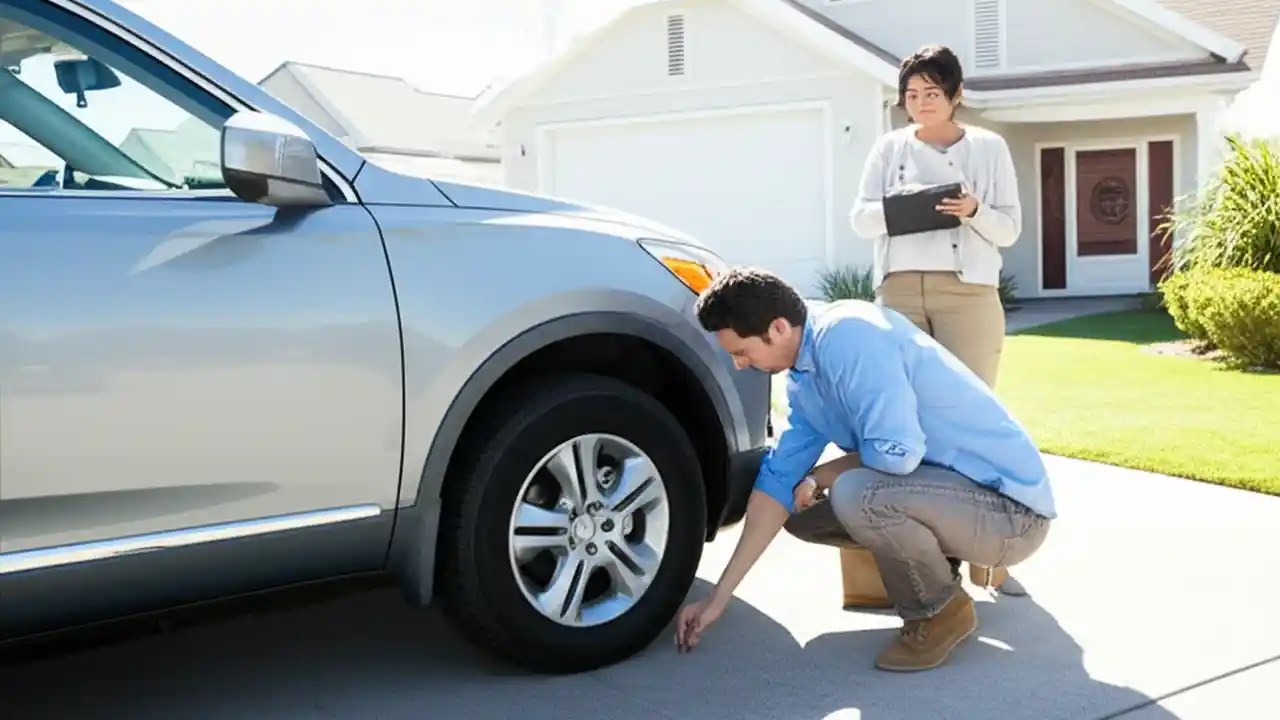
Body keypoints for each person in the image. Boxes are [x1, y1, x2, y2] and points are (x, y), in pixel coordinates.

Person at [675, 267, 1054, 672]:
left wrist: (821, 476)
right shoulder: (806, 375)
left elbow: (898, 455)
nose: (738, 365)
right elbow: (776, 485)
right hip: (957, 498)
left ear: (779, 328)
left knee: (857, 493)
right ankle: (937, 570)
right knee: (803, 513)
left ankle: (939, 611)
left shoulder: (850, 337)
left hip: (1012, 515)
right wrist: (718, 598)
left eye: (742, 352)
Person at [849, 44, 1025, 597]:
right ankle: (920, 557)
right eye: (912, 94)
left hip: (968, 292)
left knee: (973, 419)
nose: (920, 103)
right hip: (900, 289)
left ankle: (993, 558)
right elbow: (860, 219)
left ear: (955, 96)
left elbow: (1010, 231)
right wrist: (908, 207)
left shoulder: (989, 149)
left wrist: (972, 211)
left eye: (932, 93)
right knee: (902, 420)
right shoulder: (887, 148)